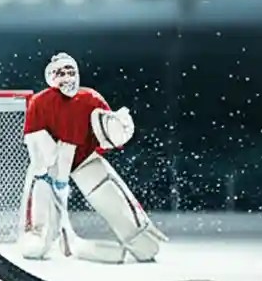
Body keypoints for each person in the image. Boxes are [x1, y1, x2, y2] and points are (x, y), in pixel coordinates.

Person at [17, 53, 166, 263]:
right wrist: (50, 172)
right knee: (36, 246)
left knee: (116, 204)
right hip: (49, 166)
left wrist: (118, 132)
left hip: (85, 160)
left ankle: (137, 235)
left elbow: (109, 137)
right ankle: (38, 233)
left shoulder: (91, 98)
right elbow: (36, 143)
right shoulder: (39, 102)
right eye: (62, 73)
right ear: (51, 76)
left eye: (71, 72)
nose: (68, 77)